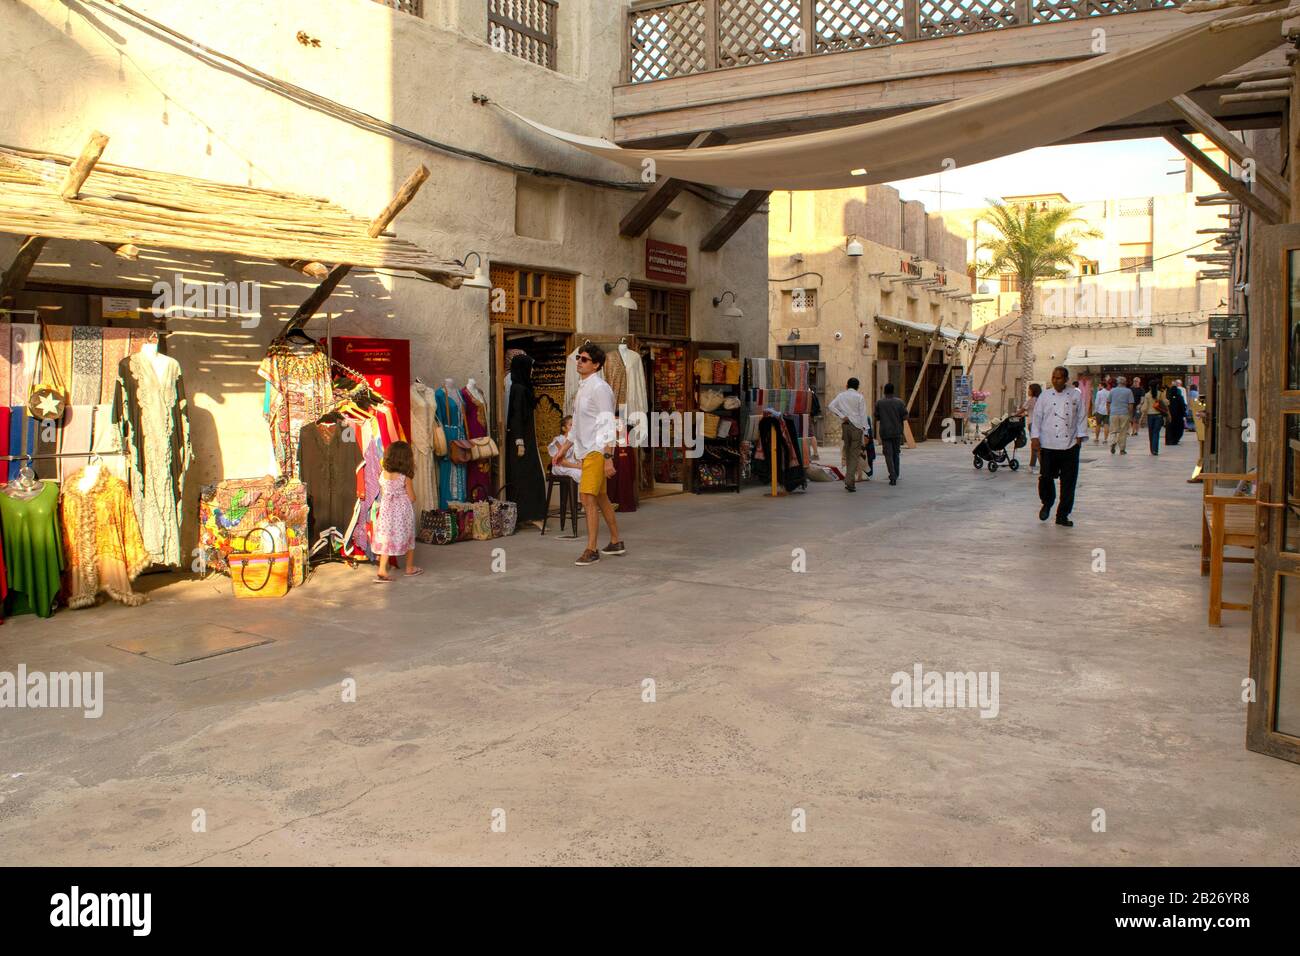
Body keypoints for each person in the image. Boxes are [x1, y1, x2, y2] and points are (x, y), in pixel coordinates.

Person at [555, 342, 624, 566]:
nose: (579, 362)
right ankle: (615, 541)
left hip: (596, 449)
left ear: (595, 365)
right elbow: (575, 426)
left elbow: (607, 424)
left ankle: (591, 549)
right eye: (578, 358)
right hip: (585, 451)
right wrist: (562, 450)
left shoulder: (600, 388)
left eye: (584, 359)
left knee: (587, 498)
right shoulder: (583, 387)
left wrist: (607, 457)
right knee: (601, 498)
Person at [1030, 366, 1087, 527]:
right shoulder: (1045, 396)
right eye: (1054, 377)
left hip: (1070, 444)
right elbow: (1037, 417)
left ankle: (1062, 515)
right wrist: (1035, 437)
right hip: (1048, 443)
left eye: (1059, 378)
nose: (1056, 381)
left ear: (1066, 379)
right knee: (1046, 477)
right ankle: (1047, 503)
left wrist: (1080, 436)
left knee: (1069, 482)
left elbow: (1081, 416)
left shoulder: (1075, 394)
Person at [372, 440, 422, 582]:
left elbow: (384, 492)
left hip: (386, 511)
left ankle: (382, 569)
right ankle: (409, 568)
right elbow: (412, 497)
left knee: (387, 538)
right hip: (402, 512)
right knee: (408, 536)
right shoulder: (404, 476)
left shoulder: (383, 474)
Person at [828, 377, 870, 492]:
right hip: (856, 427)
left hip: (845, 426)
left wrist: (842, 416)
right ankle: (849, 481)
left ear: (847, 385)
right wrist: (866, 432)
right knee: (854, 455)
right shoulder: (859, 397)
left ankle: (848, 479)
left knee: (847, 452)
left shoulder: (841, 395)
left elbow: (831, 406)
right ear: (857, 387)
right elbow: (863, 415)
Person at [874, 382, 908, 485]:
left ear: (884, 391)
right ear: (893, 391)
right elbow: (905, 417)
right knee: (896, 453)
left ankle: (892, 476)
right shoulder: (900, 402)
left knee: (888, 455)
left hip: (885, 432)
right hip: (897, 431)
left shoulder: (879, 403)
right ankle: (896, 474)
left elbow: (877, 417)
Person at [547, 416, 583, 482]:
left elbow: (576, 458)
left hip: (571, 465)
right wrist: (577, 466)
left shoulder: (574, 441)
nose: (574, 427)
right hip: (560, 467)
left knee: (588, 472)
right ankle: (580, 492)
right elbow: (561, 461)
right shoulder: (559, 440)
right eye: (571, 425)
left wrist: (580, 464)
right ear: (564, 428)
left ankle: (583, 492)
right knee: (579, 473)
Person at [1138, 380, 1168, 455]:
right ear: (1157, 386)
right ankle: (1155, 449)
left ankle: (1152, 449)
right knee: (1156, 433)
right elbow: (1166, 403)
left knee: (1151, 433)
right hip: (1159, 415)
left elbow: (1144, 408)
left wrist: (1142, 417)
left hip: (1150, 415)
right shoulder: (1160, 394)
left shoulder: (1147, 395)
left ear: (1149, 387)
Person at [1108, 375, 1135, 455]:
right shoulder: (1128, 391)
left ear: (1117, 382)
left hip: (1113, 413)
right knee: (1123, 432)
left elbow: (1108, 402)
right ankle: (1122, 449)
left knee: (1113, 430)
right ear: (1125, 382)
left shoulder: (1112, 390)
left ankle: (1113, 442)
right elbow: (1130, 404)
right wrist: (1130, 415)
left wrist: (1109, 411)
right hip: (1124, 413)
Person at [1022, 383, 1042, 474]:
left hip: (1032, 424)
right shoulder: (1040, 400)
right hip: (1040, 425)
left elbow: (1022, 409)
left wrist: (1014, 415)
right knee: (1035, 445)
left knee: (1036, 446)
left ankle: (1043, 466)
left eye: (1029, 390)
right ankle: (1031, 465)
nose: (1028, 391)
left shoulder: (1031, 400)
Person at [1165, 382, 1187, 447]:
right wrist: (1184, 414)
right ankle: (1175, 440)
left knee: (1170, 428)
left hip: (1170, 416)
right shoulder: (1180, 397)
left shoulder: (1168, 398)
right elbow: (1182, 406)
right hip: (1178, 416)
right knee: (1178, 428)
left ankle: (1169, 440)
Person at [1093, 379, 1111, 445]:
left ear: (1102, 386)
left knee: (1098, 425)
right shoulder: (1109, 392)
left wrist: (1095, 410)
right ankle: (1105, 439)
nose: (1098, 386)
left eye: (1099, 385)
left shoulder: (1099, 392)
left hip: (1099, 410)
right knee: (1106, 425)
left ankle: (1097, 438)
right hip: (1107, 411)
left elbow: (1097, 402)